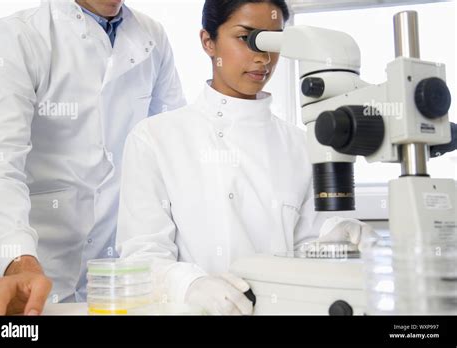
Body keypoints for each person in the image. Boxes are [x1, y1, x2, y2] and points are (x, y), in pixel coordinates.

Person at [116, 0, 376, 315]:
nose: (263, 57)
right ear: (207, 42)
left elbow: (306, 250)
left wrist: (335, 243)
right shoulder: (155, 138)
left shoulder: (301, 144)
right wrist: (189, 285)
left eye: (273, 40)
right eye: (247, 38)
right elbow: (141, 258)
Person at [0, 0, 185, 315]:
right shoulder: (20, 34)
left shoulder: (151, 36)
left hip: (114, 276)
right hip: (29, 268)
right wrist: (19, 261)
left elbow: (173, 151)